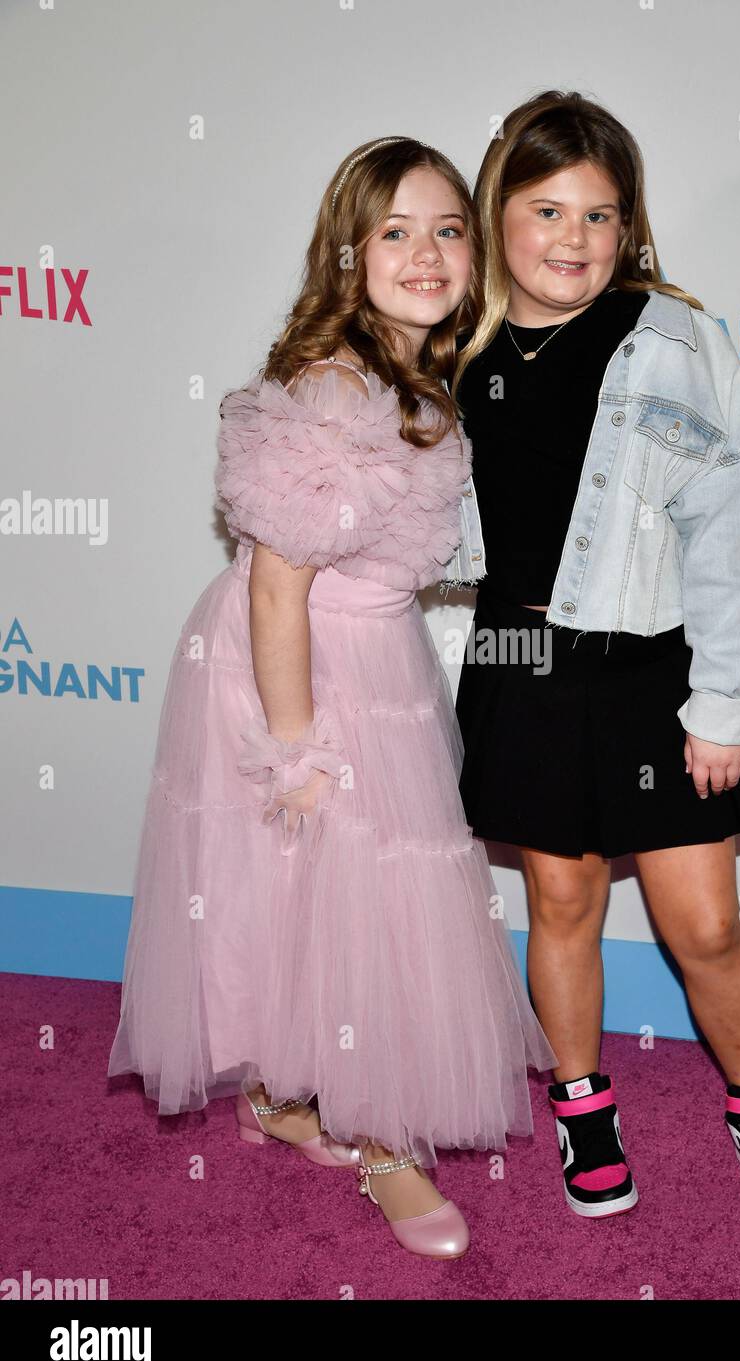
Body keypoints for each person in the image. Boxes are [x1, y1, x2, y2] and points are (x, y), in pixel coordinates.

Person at [107, 136, 557, 1261]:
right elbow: (274, 588)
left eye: (448, 230)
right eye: (396, 231)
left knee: (327, 900)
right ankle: (384, 1141)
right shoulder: (336, 385)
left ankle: (285, 1098)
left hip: (375, 652)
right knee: (338, 890)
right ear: (350, 254)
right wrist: (292, 751)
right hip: (297, 666)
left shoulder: (416, 377)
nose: (426, 253)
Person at [443, 91, 740, 1223]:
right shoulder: (449, 344)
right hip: (516, 657)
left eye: (601, 215)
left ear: (632, 227)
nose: (574, 238)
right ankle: (582, 1104)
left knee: (703, 923)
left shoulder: (670, 338)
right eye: (547, 208)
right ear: (496, 212)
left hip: (652, 666)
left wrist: (727, 701)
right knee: (559, 904)